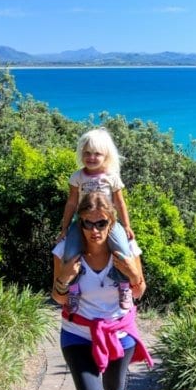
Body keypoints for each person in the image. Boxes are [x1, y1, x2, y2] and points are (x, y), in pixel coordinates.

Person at [52, 191, 153, 390]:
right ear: (81, 222)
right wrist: (65, 278)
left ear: (111, 221)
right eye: (88, 222)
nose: (94, 230)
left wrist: (133, 273)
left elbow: (138, 292)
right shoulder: (65, 252)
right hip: (77, 334)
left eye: (101, 223)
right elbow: (58, 297)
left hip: (119, 333)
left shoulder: (126, 248)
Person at [57, 127, 135, 309]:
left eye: (97, 154)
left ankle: (124, 286)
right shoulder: (77, 176)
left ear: (106, 156)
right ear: (81, 153)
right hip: (82, 222)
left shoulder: (111, 177)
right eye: (87, 153)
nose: (91, 157)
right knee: (70, 254)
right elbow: (71, 203)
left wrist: (126, 226)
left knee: (123, 251)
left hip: (109, 222)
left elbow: (120, 202)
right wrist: (65, 228)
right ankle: (74, 288)